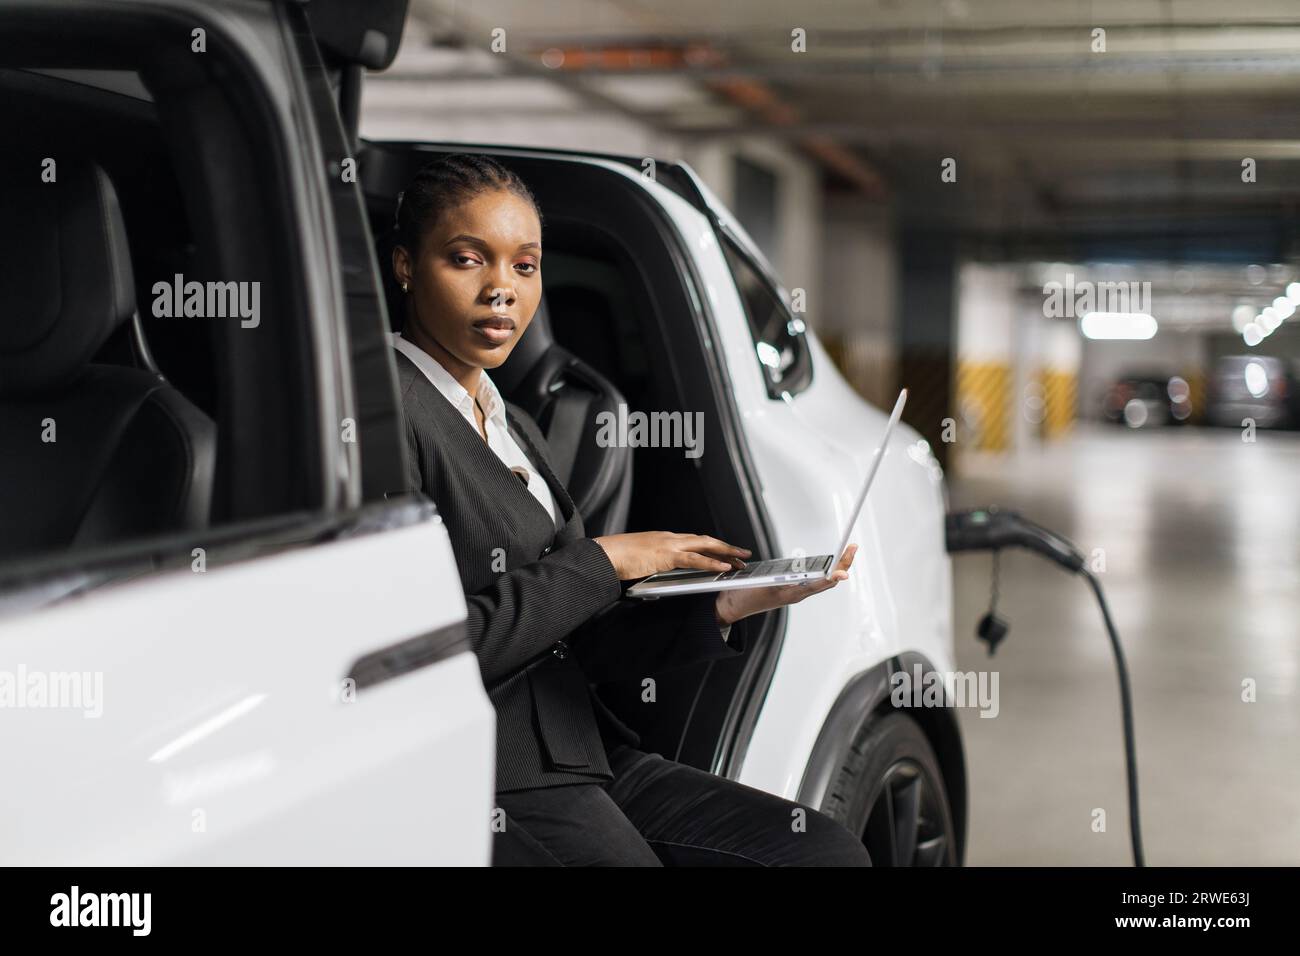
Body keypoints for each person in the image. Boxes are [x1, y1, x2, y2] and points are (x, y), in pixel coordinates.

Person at [389, 154, 870, 866]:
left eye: (525, 267)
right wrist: (605, 561)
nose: (502, 290)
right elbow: (424, 658)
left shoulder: (513, 421)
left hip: (589, 753)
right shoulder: (386, 414)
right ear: (405, 267)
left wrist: (727, 605)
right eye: (468, 260)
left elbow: (583, 642)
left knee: (822, 853)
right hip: (491, 772)